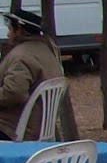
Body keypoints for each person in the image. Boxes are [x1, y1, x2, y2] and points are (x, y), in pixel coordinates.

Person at [0, 9, 65, 139]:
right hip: (37, 126)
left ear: (19, 29)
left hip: (14, 128)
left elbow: (14, 93)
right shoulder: (46, 51)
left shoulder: (21, 56)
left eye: (10, 28)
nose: (8, 34)